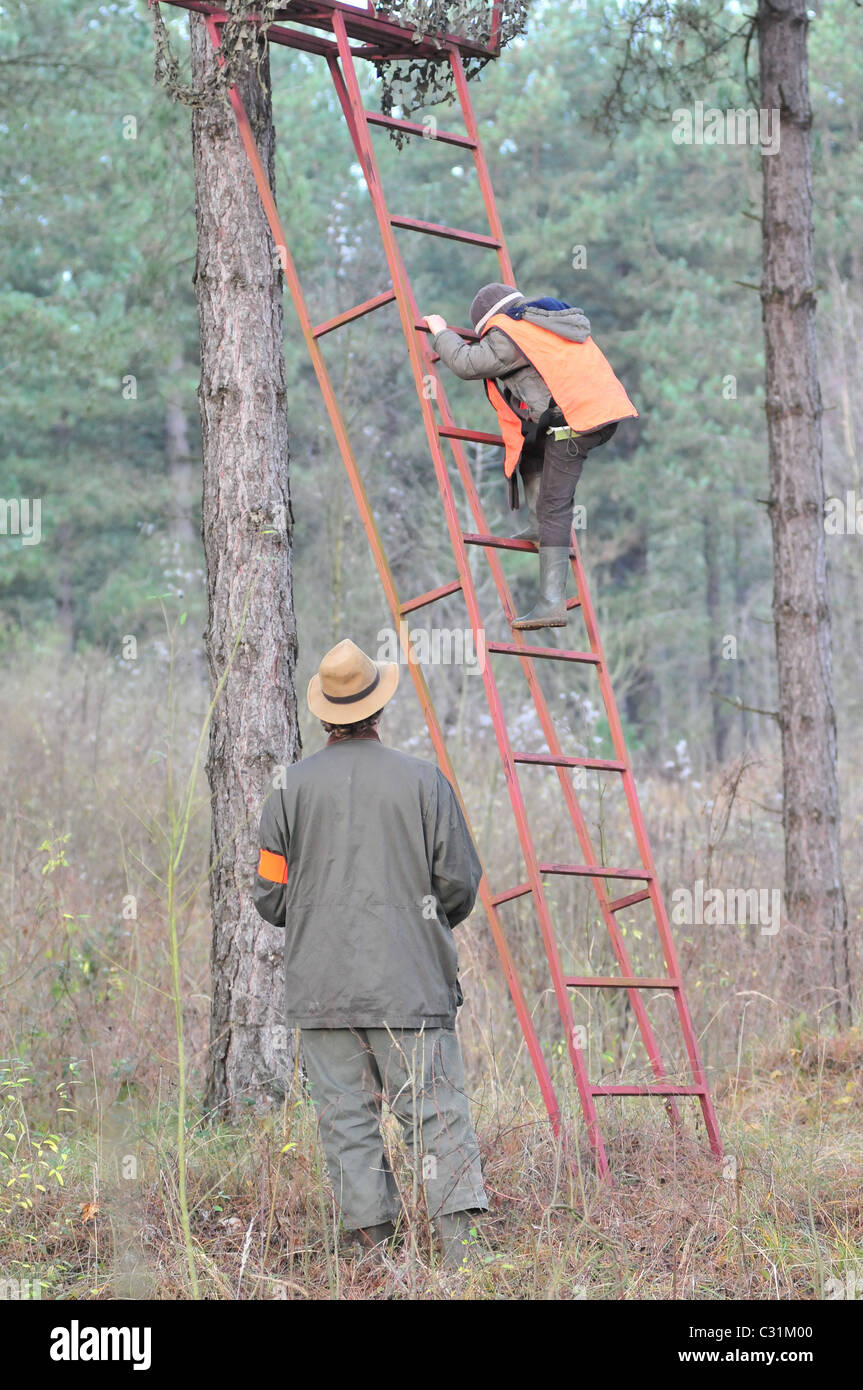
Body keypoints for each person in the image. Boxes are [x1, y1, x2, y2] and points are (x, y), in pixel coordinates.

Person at [253, 637, 488, 1270]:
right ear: (377, 708)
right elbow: (460, 882)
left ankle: (372, 1261)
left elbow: (270, 898)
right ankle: (462, 1261)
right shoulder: (423, 780)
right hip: (410, 988)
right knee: (435, 1115)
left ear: (324, 715)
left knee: (347, 1122)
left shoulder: (287, 790)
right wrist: (426, 928)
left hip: (321, 991)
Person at [425, 283, 638, 630]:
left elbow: (465, 363)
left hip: (576, 422)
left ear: (489, 324)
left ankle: (552, 603)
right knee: (530, 443)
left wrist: (441, 333)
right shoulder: (542, 321)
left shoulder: (508, 334)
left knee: (556, 506)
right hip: (599, 410)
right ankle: (540, 525)